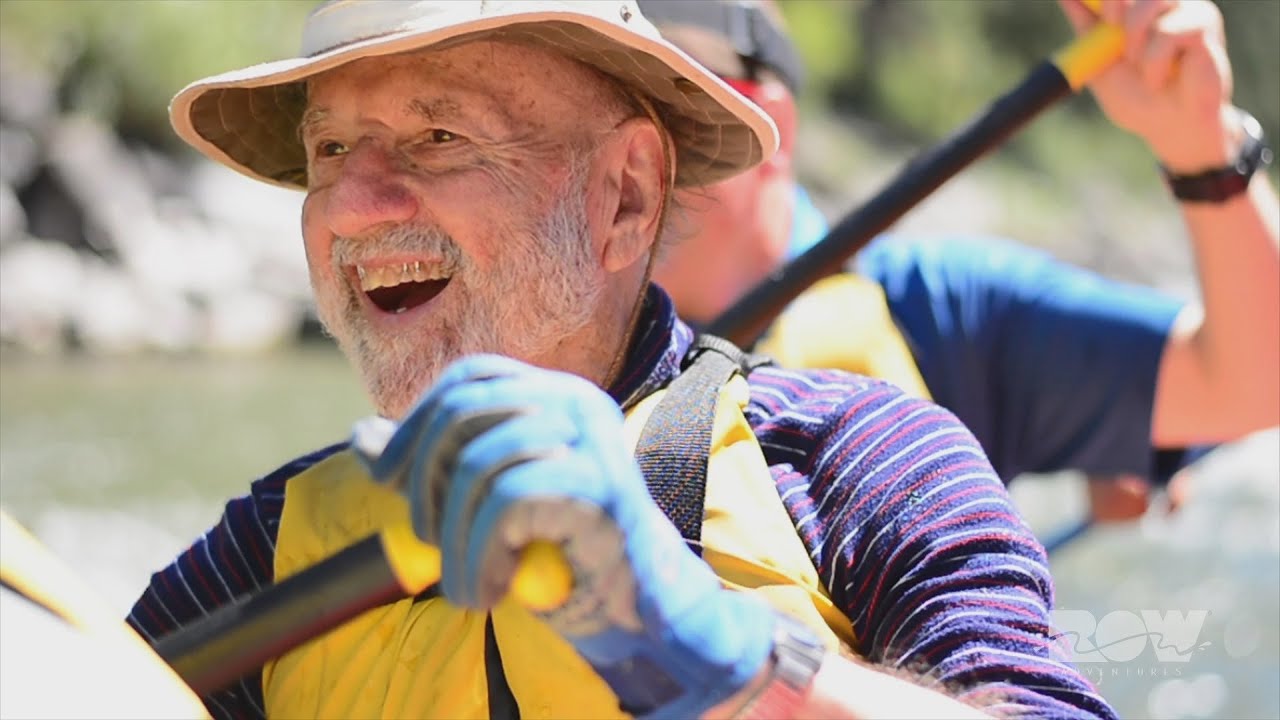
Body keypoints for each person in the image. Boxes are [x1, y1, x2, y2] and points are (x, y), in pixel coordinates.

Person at [126, 2, 1118, 718]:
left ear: (625, 197)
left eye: (438, 135)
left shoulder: (857, 461)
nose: (350, 206)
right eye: (330, 150)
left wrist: (732, 664)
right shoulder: (268, 548)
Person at [642, 0, 1279, 523]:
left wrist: (1202, 149)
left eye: (661, 112)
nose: (623, 156)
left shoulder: (946, 314)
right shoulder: (552, 318)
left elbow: (1256, 382)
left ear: (769, 125)